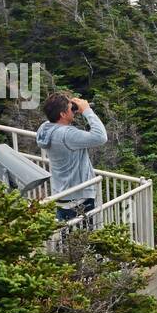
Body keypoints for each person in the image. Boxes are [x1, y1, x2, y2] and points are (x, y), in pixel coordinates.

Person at [35, 90, 108, 224]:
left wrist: (69, 105)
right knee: (82, 238)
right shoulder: (66, 134)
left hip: (61, 193)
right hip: (78, 197)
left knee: (65, 234)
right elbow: (101, 137)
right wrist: (87, 111)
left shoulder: (45, 128)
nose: (73, 111)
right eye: (70, 109)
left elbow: (54, 119)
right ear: (62, 114)